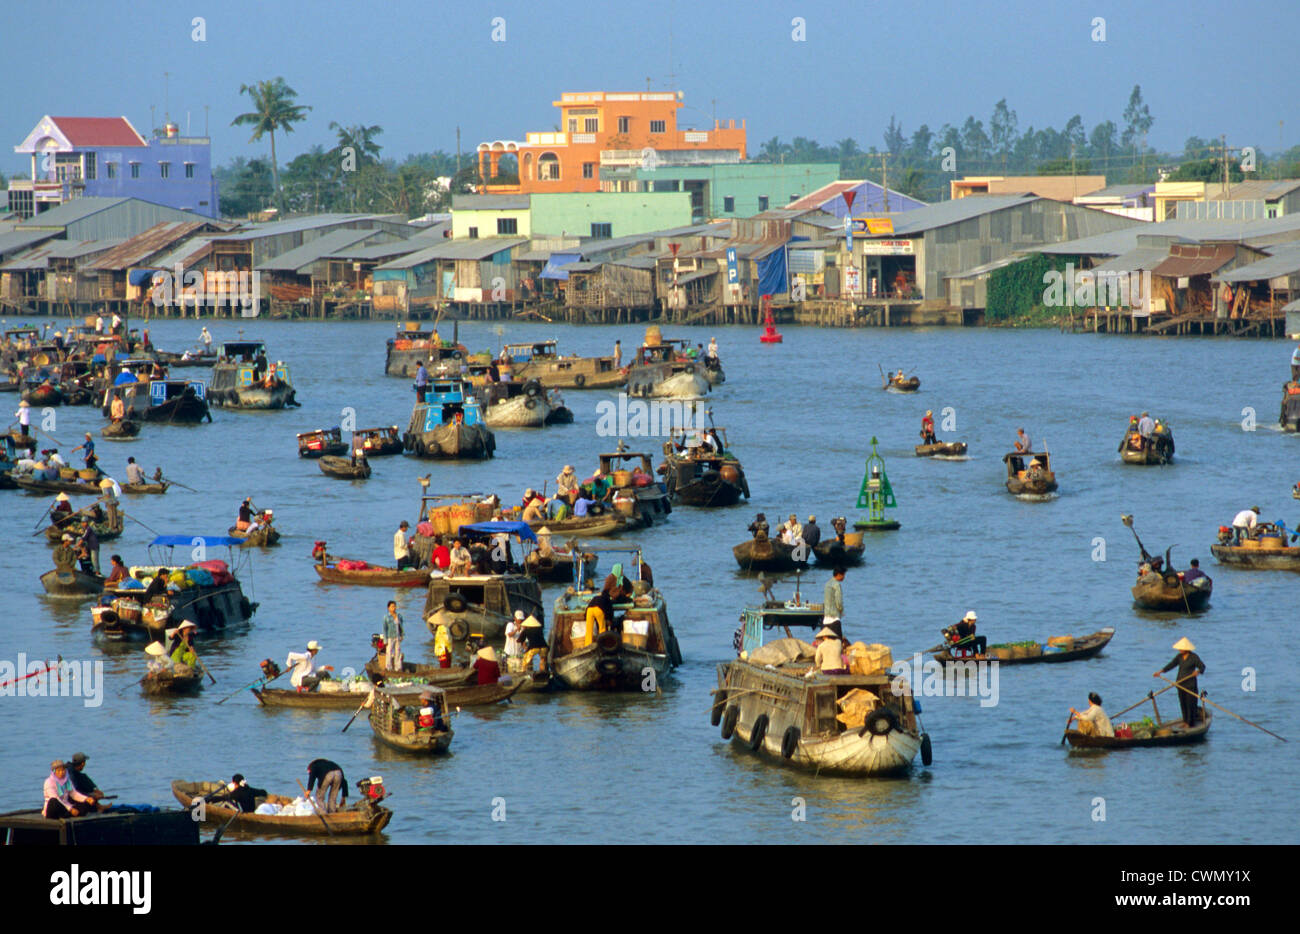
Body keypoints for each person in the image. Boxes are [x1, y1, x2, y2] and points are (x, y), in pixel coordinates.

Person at [1155, 637, 1206, 727]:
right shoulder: (1179, 657)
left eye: (1181, 648)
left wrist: (1197, 672)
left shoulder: (1194, 657)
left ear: (1186, 649)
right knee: (1183, 703)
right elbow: (1171, 664)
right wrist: (1161, 671)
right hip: (1180, 684)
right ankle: (1185, 721)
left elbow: (1202, 667)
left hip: (1190, 685)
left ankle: (1190, 723)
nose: (1179, 650)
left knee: (1190, 703)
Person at [382, 601, 404, 670]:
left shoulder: (399, 616)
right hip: (390, 637)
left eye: (394, 606)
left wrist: (402, 635)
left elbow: (401, 626)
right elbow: (384, 629)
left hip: (397, 637)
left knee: (398, 652)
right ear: (388, 608)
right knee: (389, 652)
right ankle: (388, 668)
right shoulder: (386, 617)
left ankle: (398, 668)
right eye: (392, 606)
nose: (394, 608)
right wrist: (385, 640)